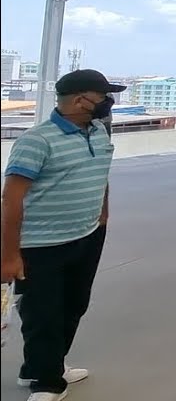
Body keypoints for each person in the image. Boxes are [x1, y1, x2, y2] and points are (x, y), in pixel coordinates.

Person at [1, 69, 123, 401]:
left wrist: (103, 212)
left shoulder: (99, 130)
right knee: (44, 314)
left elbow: (101, 173)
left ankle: (43, 367)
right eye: (104, 96)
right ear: (81, 100)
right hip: (41, 245)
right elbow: (11, 198)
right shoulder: (37, 141)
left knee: (73, 305)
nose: (109, 102)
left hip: (87, 235)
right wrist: (9, 254)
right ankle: (47, 384)